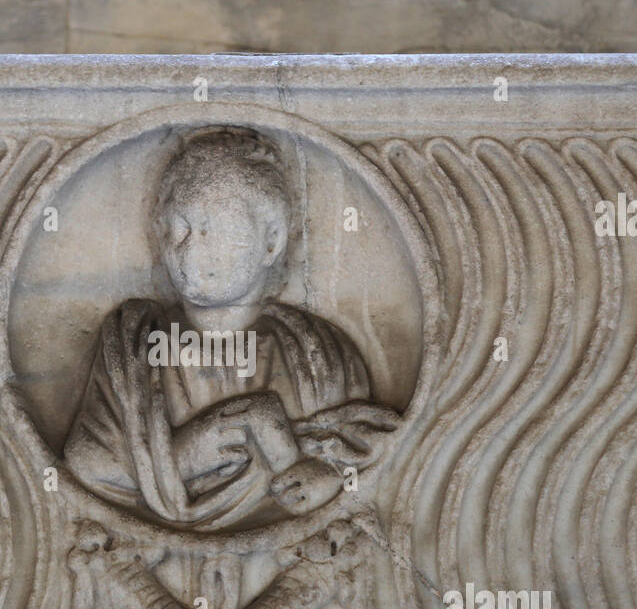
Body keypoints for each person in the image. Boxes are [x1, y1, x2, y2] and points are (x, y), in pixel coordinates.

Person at [63, 127, 398, 532]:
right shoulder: (134, 342)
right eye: (178, 229)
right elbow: (88, 462)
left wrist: (329, 474)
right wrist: (182, 457)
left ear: (271, 241)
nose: (190, 250)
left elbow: (385, 444)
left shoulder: (321, 352)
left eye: (217, 230)